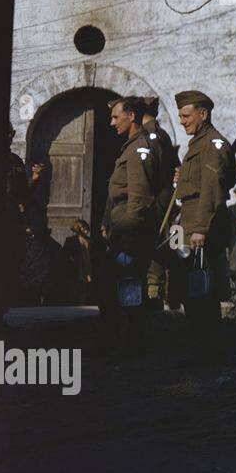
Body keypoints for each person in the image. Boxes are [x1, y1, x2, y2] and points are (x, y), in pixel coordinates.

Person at [173, 89, 236, 341]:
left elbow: (212, 190)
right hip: (190, 222)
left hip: (203, 226)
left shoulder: (212, 144)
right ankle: (201, 345)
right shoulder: (198, 144)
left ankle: (208, 348)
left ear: (203, 114)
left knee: (203, 291)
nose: (182, 121)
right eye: (180, 116)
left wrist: (200, 228)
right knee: (193, 290)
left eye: (187, 116)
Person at [101, 96, 161, 344]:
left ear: (132, 116)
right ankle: (125, 340)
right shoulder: (129, 147)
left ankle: (131, 342)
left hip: (130, 235)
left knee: (125, 288)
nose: (112, 122)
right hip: (122, 230)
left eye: (116, 117)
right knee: (119, 288)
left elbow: (139, 198)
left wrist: (124, 233)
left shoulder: (138, 149)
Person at [140, 96, 179, 305]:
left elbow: (151, 173)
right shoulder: (161, 134)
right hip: (160, 199)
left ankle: (155, 295)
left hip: (155, 200)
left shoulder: (151, 136)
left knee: (155, 247)